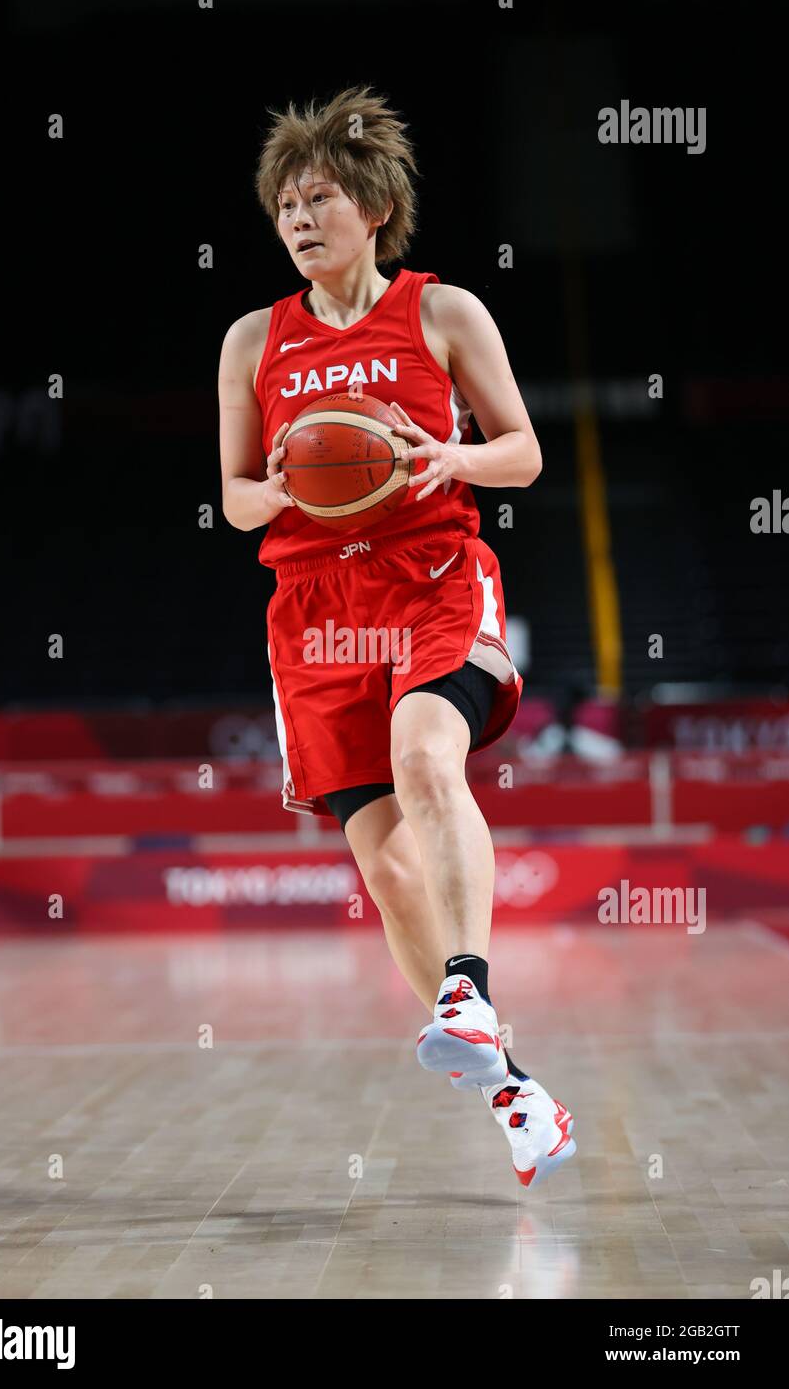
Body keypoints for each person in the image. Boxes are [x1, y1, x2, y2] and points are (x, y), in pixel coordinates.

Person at [218, 85, 575, 1186]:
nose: (299, 217)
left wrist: (444, 457)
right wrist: (275, 488)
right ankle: (513, 1083)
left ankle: (463, 983)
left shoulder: (443, 312)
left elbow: (521, 453)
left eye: (318, 196)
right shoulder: (250, 340)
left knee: (428, 756)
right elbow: (231, 501)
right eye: (285, 204)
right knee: (382, 863)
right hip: (313, 611)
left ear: (373, 207)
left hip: (429, 576)